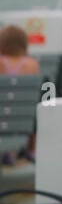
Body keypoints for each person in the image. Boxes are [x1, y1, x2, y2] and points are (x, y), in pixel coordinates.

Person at [0, 25, 41, 165]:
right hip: (25, 117)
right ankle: (31, 150)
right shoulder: (32, 64)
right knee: (34, 110)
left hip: (3, 116)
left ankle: (7, 152)